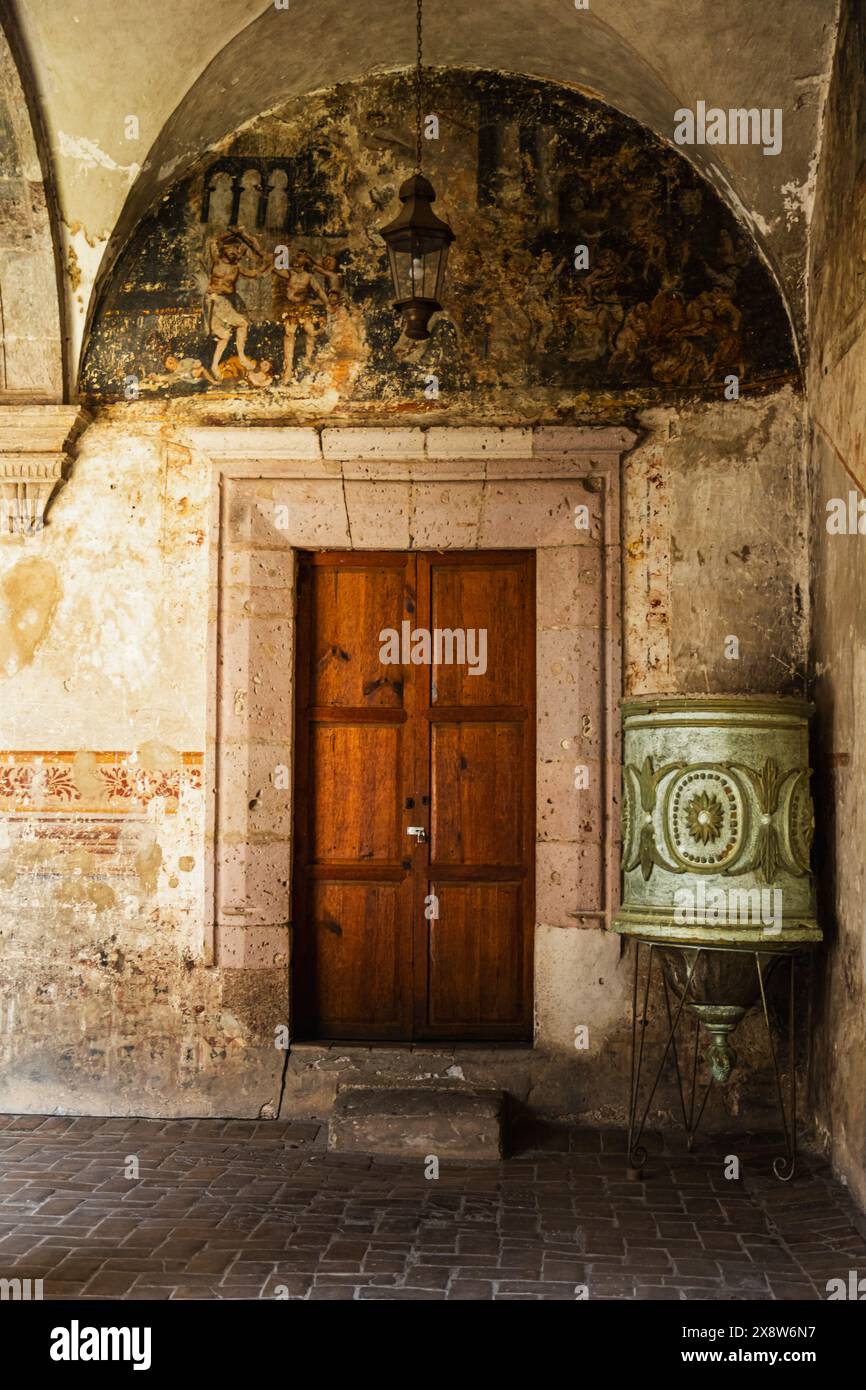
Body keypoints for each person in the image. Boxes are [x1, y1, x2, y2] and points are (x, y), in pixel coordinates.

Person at [204, 229, 270, 377]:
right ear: (224, 248)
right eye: (232, 247)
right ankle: (241, 355)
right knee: (241, 324)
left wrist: (269, 263)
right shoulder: (216, 260)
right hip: (215, 300)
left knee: (225, 336)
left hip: (225, 301)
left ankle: (215, 366)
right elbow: (213, 241)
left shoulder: (237, 267)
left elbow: (254, 274)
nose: (235, 251)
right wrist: (235, 233)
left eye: (237, 248)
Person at [273, 251, 330, 384]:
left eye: (299, 257)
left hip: (303, 307)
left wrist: (328, 304)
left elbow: (319, 290)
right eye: (295, 257)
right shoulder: (290, 273)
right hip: (291, 307)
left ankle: (309, 360)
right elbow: (276, 269)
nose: (296, 259)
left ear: (306, 261)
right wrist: (280, 254)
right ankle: (288, 368)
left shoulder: (309, 277)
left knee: (310, 332)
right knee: (289, 333)